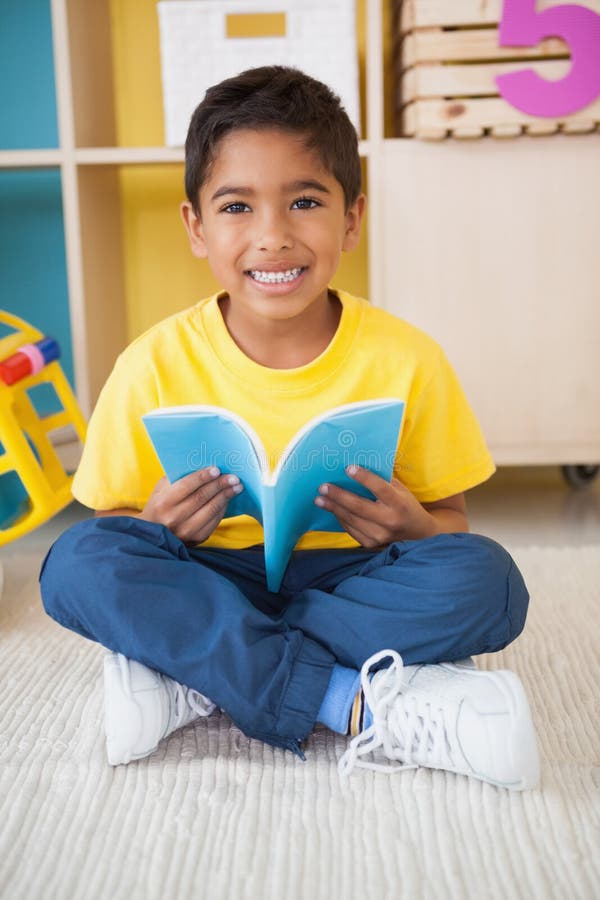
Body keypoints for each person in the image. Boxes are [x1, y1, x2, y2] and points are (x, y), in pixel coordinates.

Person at [39, 66, 539, 788]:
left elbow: (451, 523)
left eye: (304, 201)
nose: (272, 237)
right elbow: (111, 522)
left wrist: (411, 530)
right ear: (196, 227)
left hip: (347, 576)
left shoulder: (408, 358)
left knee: (490, 581)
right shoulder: (150, 362)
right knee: (76, 564)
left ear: (352, 219)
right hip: (210, 573)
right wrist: (158, 527)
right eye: (237, 207)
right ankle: (346, 699)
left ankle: (204, 673)